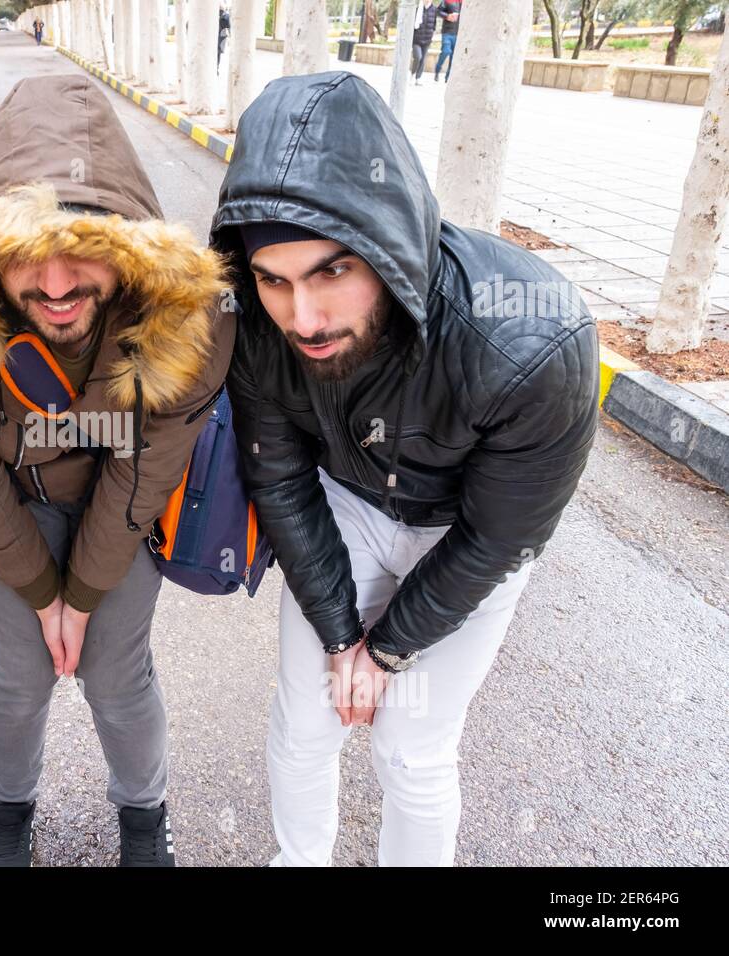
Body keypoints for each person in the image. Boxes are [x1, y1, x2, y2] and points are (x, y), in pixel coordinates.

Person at [210, 72, 598, 866]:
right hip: (345, 506)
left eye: (331, 271)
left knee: (412, 747)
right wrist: (339, 633)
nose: (303, 318)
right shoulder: (254, 325)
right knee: (307, 717)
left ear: (390, 241)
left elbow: (499, 538)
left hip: (465, 535)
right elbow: (279, 479)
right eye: (274, 279)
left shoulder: (533, 345)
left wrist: (385, 653)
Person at [0, 74, 235, 867]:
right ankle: (9, 813)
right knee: (17, 674)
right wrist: (43, 597)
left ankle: (144, 819)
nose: (59, 287)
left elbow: (144, 468)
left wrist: (83, 596)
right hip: (15, 500)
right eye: (27, 260)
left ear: (132, 251)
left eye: (86, 256)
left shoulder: (190, 320)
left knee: (116, 670)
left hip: (125, 497)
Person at [412, 0, 438, 85]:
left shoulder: (434, 9)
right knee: (418, 57)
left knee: (423, 59)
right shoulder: (417, 8)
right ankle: (412, 74)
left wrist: (432, 34)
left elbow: (434, 24)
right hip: (416, 39)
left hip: (427, 39)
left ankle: (418, 78)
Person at [435, 0, 460, 82]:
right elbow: (437, 11)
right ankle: (437, 70)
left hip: (458, 34)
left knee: (454, 57)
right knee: (446, 51)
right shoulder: (446, 1)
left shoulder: (464, 3)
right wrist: (447, 16)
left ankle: (448, 78)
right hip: (447, 32)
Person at [218, 2, 232, 71]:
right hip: (221, 38)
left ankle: (215, 68)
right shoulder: (225, 15)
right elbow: (229, 27)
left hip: (216, 38)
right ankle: (216, 68)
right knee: (218, 54)